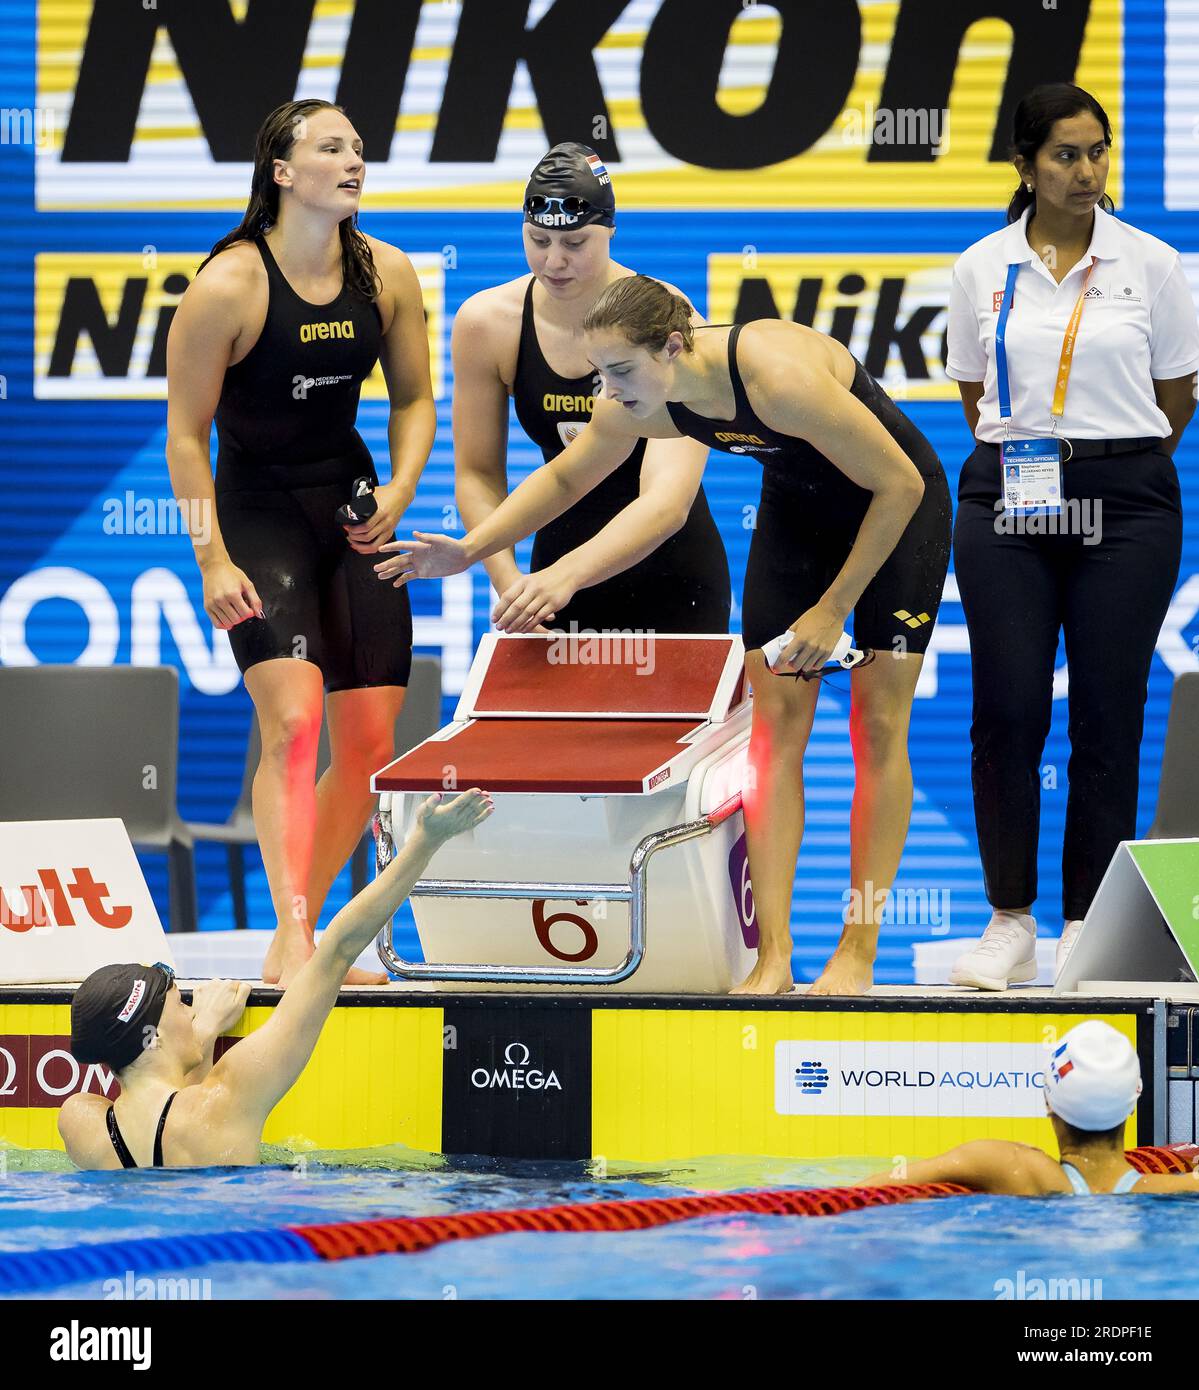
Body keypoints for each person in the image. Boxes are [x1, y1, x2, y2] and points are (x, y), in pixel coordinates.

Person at [375, 276, 952, 996]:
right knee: (774, 727)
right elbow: (566, 480)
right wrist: (468, 548)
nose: (608, 392)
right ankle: (773, 959)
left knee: (879, 722)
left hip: (892, 514)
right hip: (798, 513)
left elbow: (902, 485)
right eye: (599, 374)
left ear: (673, 347)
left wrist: (833, 610)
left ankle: (858, 953)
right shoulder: (644, 398)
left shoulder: (775, 376)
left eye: (619, 371)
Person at [167, 99, 437, 987]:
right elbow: (185, 435)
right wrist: (211, 557)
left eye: (359, 147)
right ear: (282, 172)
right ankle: (289, 936)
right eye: (331, 148)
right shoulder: (228, 288)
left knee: (370, 741)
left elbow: (412, 401)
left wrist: (398, 493)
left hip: (353, 512)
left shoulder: (388, 276)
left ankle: (306, 934)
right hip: (256, 519)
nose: (353, 160)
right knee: (292, 723)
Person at [945, 84, 1199, 992]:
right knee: (1008, 710)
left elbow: (1177, 399)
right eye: (1065, 155)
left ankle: (1089, 925)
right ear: (1023, 164)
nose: (1087, 172)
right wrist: (1041, 458)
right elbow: (973, 395)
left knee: (1108, 715)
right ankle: (1008, 922)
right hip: (1009, 497)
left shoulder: (1154, 264)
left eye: (1098, 152)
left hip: (1126, 503)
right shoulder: (980, 266)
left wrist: (1104, 462)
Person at [58, 789, 492, 1170]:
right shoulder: (227, 1098)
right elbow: (338, 950)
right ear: (151, 1038)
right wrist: (423, 843)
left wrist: (201, 1036)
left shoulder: (80, 1125)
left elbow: (153, 1114)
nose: (192, 1013)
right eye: (181, 1004)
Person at [452, 141, 730, 635]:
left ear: (610, 233)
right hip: (554, 568)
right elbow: (477, 474)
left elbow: (668, 502)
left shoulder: (666, 315)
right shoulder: (487, 323)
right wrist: (512, 587)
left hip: (670, 570)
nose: (555, 261)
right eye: (538, 240)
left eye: (575, 244)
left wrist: (563, 577)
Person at [863, 1020, 1199, 1195]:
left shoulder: (1006, 1166)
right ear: (1135, 1098)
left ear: (1047, 1101)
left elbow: (868, 1191)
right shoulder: (1184, 1188)